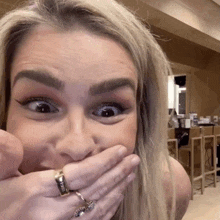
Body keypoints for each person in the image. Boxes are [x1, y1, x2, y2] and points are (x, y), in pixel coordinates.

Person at [0, 0, 191, 219]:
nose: (77, 147)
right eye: (42, 107)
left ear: (142, 117)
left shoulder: (166, 188)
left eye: (108, 111)